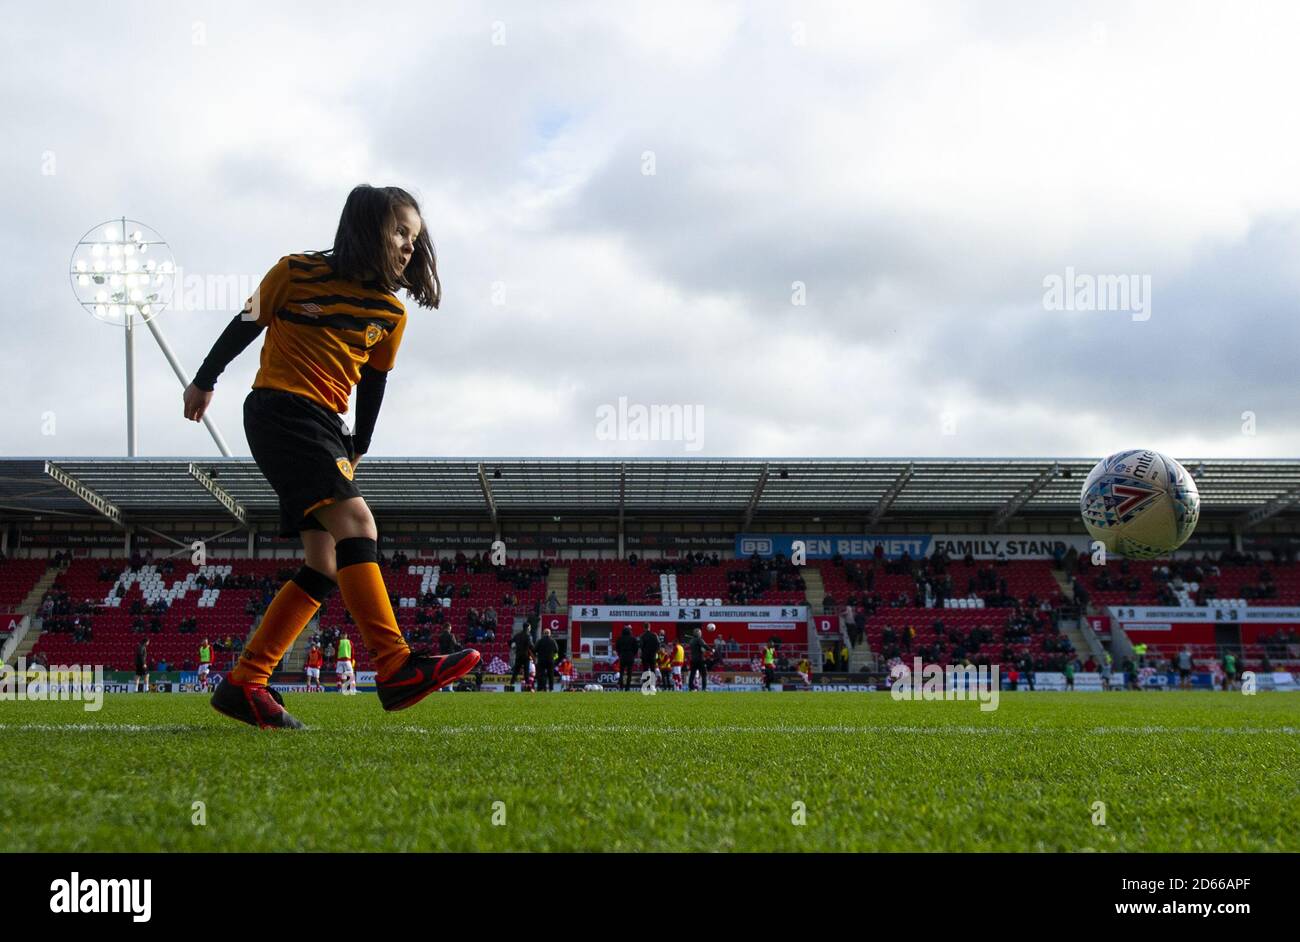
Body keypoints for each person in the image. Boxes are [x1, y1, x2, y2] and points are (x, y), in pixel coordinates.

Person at [185, 185, 479, 729]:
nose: (409, 246)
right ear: (365, 230)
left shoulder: (390, 313)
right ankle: (394, 665)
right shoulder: (294, 272)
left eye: (414, 238)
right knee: (358, 523)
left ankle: (246, 682)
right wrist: (205, 380)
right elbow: (245, 323)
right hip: (278, 410)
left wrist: (358, 447)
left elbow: (374, 382)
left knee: (324, 561)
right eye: (399, 232)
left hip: (326, 426)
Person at [509, 624, 534, 690]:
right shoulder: (528, 636)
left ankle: (511, 684)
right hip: (526, 656)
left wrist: (513, 647)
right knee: (526, 672)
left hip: (518, 655)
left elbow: (510, 642)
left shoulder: (517, 635)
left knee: (516, 671)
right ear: (528, 628)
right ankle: (527, 685)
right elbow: (531, 646)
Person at [535, 627, 558, 692]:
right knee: (550, 675)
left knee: (541, 674)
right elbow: (556, 650)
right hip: (550, 660)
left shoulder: (539, 641)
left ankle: (541, 688)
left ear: (543, 634)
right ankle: (551, 688)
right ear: (549, 634)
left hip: (541, 660)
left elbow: (535, 649)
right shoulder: (553, 641)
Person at [616, 625, 639, 691]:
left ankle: (621, 687)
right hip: (630, 656)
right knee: (629, 673)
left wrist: (620, 654)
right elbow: (636, 648)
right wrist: (633, 654)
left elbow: (617, 648)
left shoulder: (619, 638)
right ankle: (627, 688)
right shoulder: (633, 638)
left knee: (621, 672)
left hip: (623, 655)